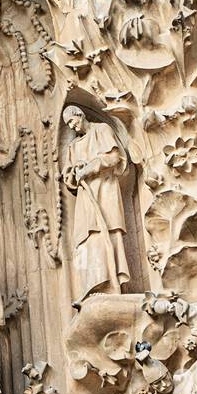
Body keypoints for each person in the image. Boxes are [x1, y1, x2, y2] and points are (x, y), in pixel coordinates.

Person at [62, 106, 130, 301]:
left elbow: (114, 157)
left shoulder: (102, 130)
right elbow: (68, 175)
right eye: (68, 125)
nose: (72, 126)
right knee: (87, 236)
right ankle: (93, 284)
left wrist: (90, 167)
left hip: (105, 189)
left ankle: (112, 282)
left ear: (80, 114)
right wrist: (75, 172)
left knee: (107, 230)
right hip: (86, 197)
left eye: (72, 121)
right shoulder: (73, 147)